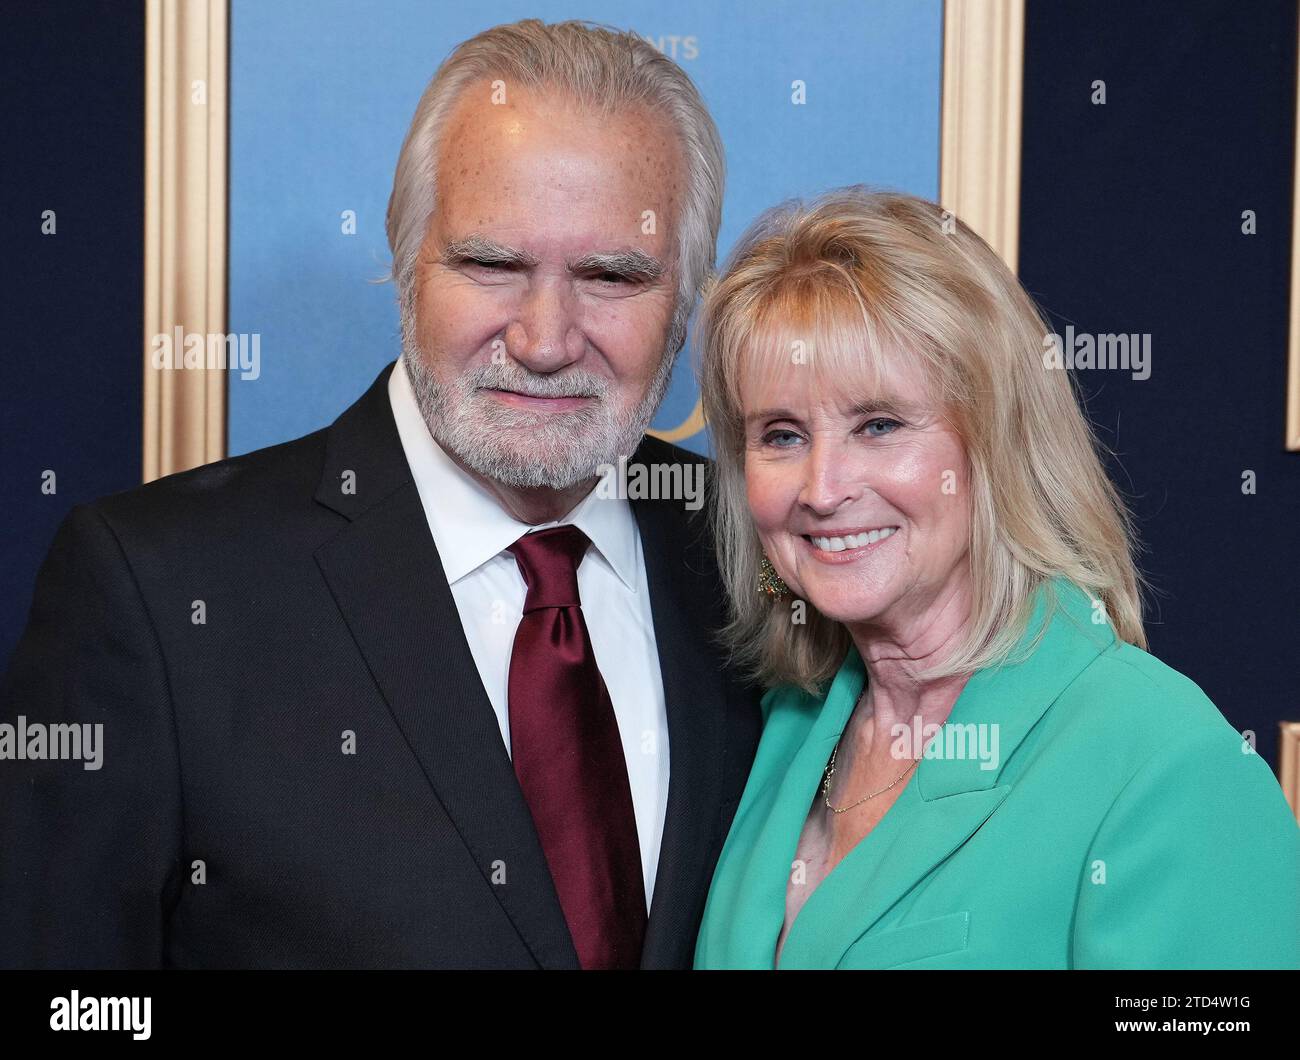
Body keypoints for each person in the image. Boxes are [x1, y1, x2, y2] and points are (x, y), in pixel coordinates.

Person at [0, 19, 762, 970]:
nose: (546, 337)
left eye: (611, 275)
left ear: (687, 299)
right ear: (404, 262)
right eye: (492, 264)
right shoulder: (157, 593)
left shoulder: (762, 550)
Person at [691, 186, 1300, 969]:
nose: (822, 486)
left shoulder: (1166, 765)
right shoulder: (782, 728)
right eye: (781, 434)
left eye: (878, 424)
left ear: (999, 441)